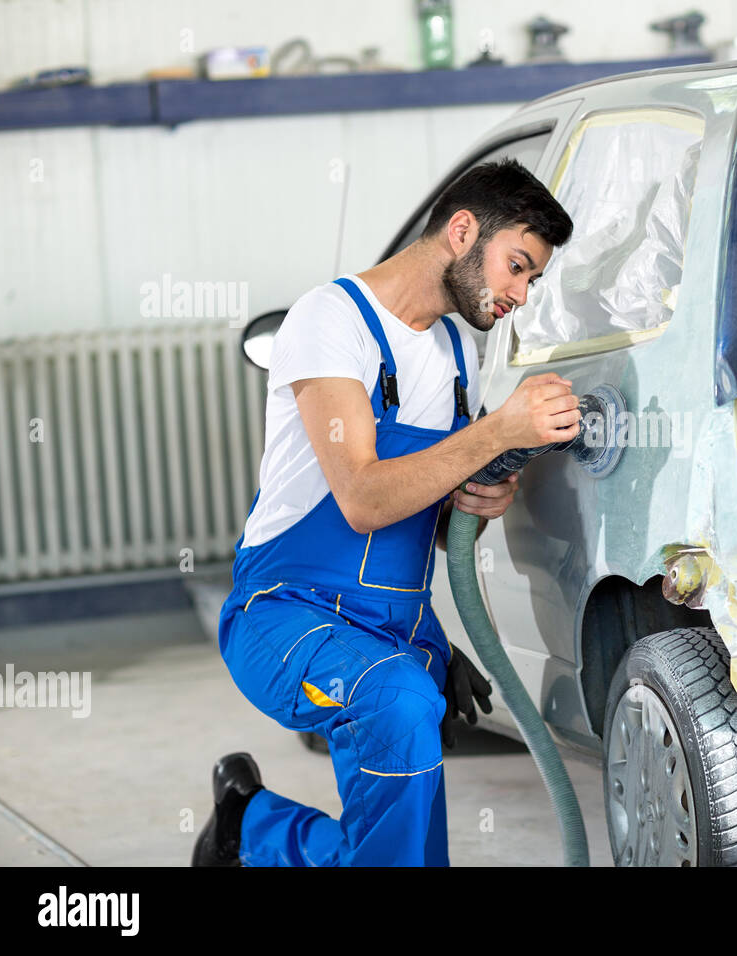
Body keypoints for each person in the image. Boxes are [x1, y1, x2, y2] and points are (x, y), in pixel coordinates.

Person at [193, 158, 577, 867]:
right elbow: (364, 498)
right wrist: (494, 433)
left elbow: (423, 521)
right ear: (463, 231)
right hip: (285, 615)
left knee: (393, 809)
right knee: (396, 702)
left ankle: (251, 830)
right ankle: (254, 830)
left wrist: (480, 501)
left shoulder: (458, 353)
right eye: (517, 266)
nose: (520, 294)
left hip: (394, 629)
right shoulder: (330, 320)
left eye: (532, 279)